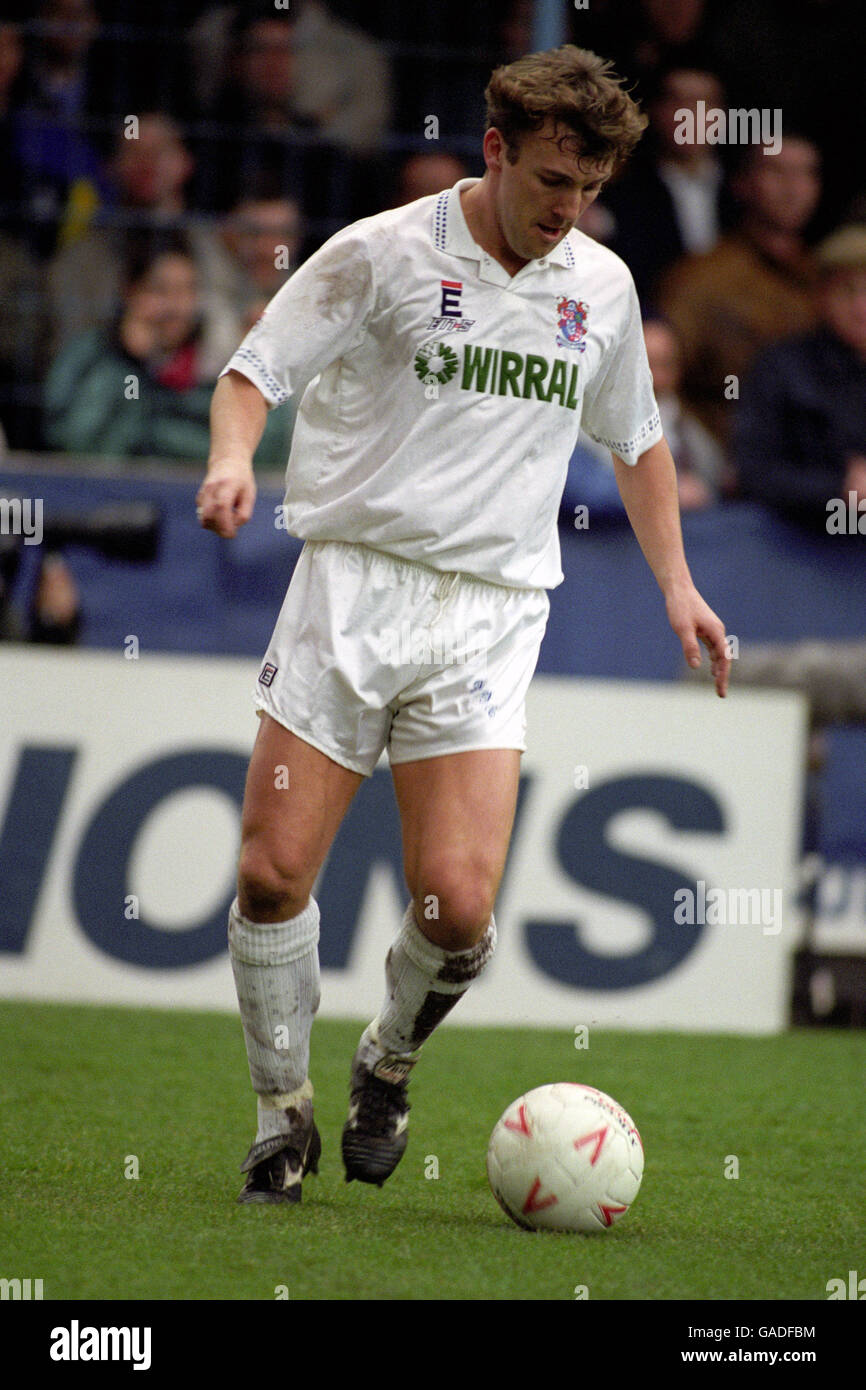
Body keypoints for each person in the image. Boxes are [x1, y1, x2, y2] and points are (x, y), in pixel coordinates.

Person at [196, 44, 730, 1206]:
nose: (566, 210)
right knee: (272, 872)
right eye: (549, 180)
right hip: (350, 588)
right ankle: (278, 1114)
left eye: (587, 189)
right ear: (493, 150)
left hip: (488, 616)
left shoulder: (600, 286)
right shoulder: (380, 254)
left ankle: (383, 1062)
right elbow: (251, 372)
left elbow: (636, 438)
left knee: (458, 904)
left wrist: (676, 588)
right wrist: (234, 461)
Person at [657, 134, 822, 443]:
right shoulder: (699, 280)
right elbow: (657, 382)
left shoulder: (824, 279)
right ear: (742, 183)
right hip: (723, 461)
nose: (793, 188)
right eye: (776, 172)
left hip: (813, 464)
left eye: (806, 173)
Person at [733, 224, 866, 530]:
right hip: (800, 552)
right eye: (847, 291)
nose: (861, 308)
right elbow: (753, 473)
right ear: (820, 296)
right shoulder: (780, 369)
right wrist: (839, 487)